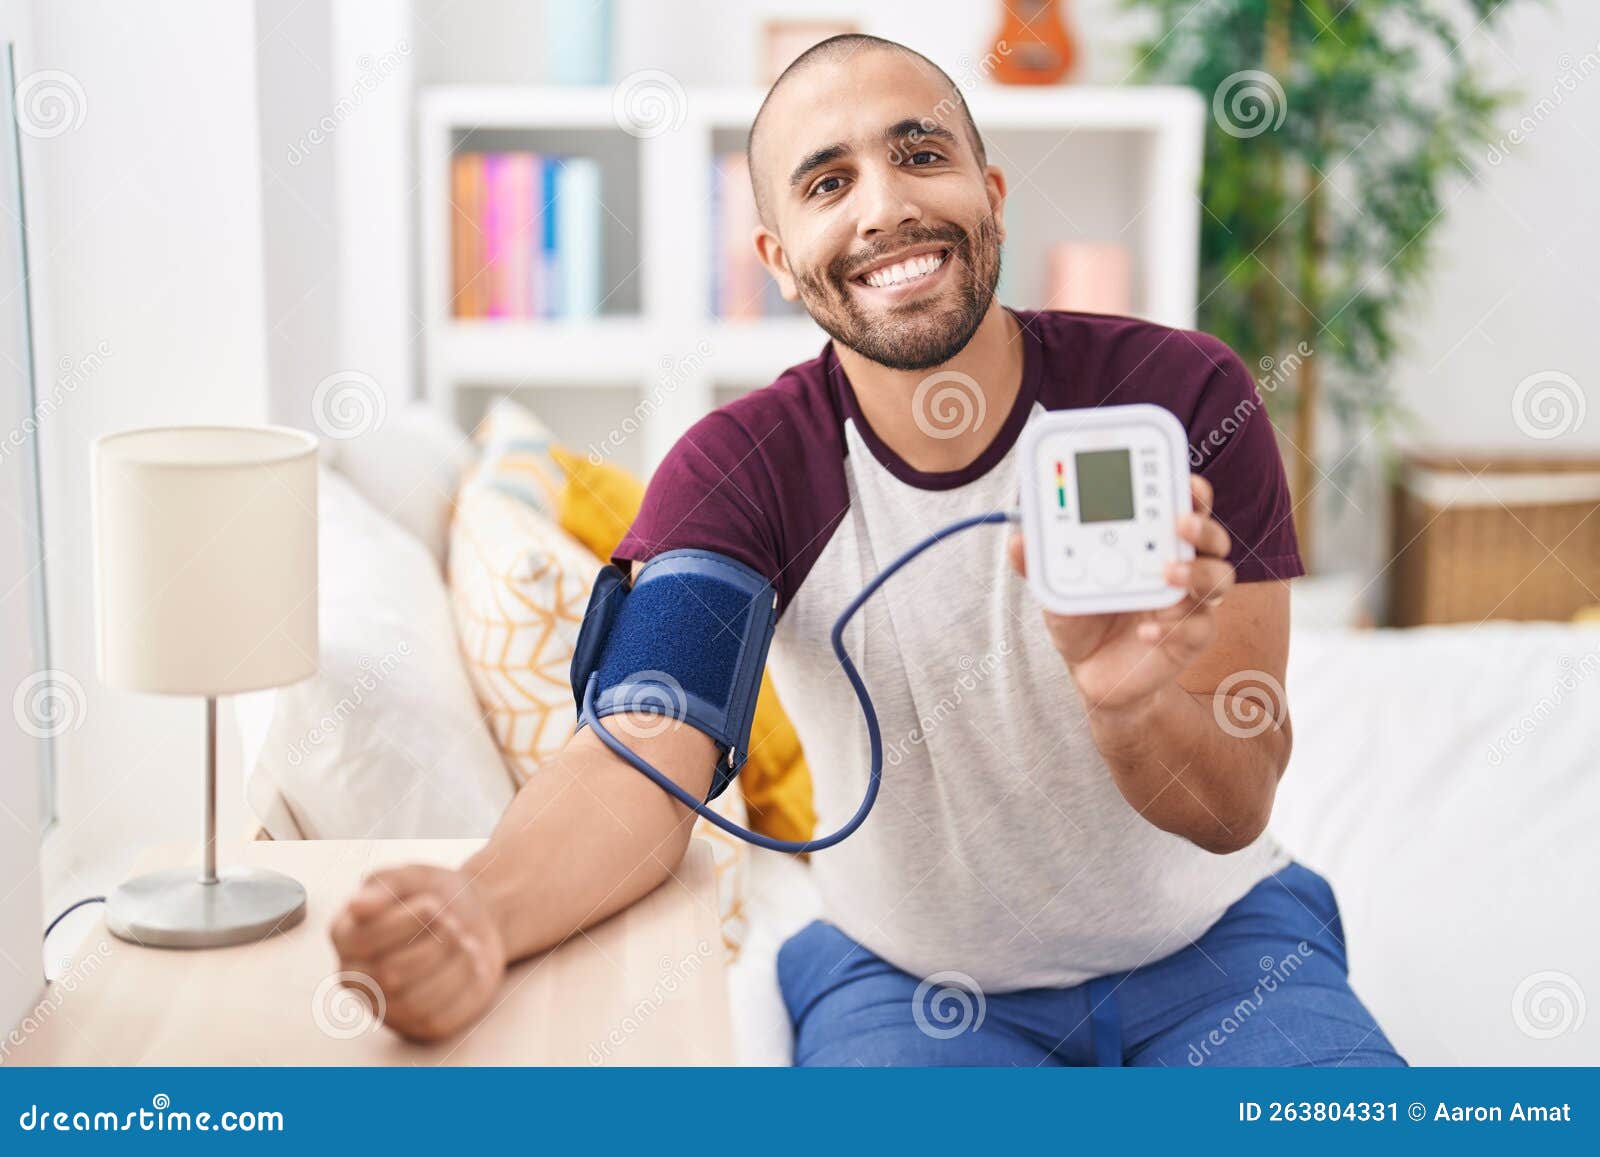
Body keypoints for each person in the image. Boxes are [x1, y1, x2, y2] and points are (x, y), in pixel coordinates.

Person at [329, 34, 1403, 1067]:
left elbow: (1234, 807)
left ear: (990, 193)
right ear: (779, 261)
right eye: (827, 182)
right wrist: (481, 904)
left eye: (920, 155)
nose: (886, 204)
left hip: (1219, 948)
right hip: (910, 980)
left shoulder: (1180, 401)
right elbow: (642, 749)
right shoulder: (742, 468)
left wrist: (1126, 704)